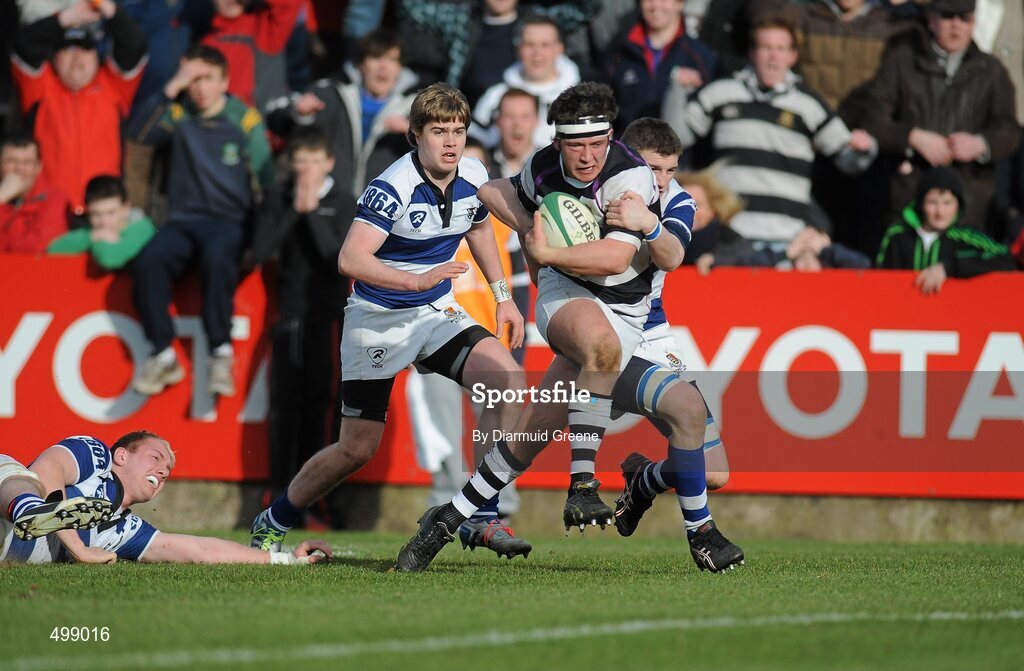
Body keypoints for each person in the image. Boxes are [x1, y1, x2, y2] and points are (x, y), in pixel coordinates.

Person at [397, 84, 742, 573]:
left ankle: (447, 518)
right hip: (571, 303)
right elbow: (493, 191)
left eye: (597, 144)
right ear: (558, 142)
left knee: (531, 442)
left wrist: (553, 250)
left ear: (613, 142)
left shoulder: (638, 183)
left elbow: (636, 256)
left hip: (633, 320)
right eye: (575, 145)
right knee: (607, 352)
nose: (587, 157)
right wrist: (535, 229)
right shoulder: (544, 165)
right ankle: (602, 492)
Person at [248, 83, 531, 560]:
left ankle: (480, 515)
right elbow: (350, 258)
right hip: (378, 319)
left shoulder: (475, 172)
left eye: (458, 131)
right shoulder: (392, 186)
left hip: (436, 313)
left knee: (506, 381)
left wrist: (504, 296)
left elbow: (481, 226)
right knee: (356, 449)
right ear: (415, 135)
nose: (451, 142)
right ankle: (274, 518)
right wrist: (415, 282)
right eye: (438, 131)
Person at [128, 45, 273, 398]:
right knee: (149, 260)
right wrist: (169, 86)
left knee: (217, 257)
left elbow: (265, 183)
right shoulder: (177, 114)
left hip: (228, 220)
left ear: (224, 81)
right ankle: (162, 353)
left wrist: (259, 243)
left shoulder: (245, 119)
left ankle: (219, 352)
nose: (200, 87)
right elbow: (139, 135)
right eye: (193, 79)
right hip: (181, 221)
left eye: (207, 78)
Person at [666, 15, 877, 249]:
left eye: (780, 49)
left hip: (788, 239)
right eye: (766, 47)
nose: (773, 56)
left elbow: (848, 160)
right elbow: (676, 139)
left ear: (792, 56)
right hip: (731, 236)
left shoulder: (809, 104)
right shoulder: (721, 92)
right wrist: (677, 90)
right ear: (752, 53)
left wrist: (864, 149)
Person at [0, 432, 331, 564]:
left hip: (5, 550)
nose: (162, 471)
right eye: (156, 458)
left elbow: (200, 550)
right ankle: (32, 511)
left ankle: (35, 514)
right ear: (122, 456)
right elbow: (48, 469)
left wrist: (287, 560)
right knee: (20, 479)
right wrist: (78, 548)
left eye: (167, 471)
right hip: (6, 502)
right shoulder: (95, 456)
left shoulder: (126, 530)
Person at [248, 127, 350, 511]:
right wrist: (295, 210)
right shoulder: (278, 198)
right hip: (289, 316)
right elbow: (258, 252)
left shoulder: (342, 202)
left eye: (314, 160)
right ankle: (276, 490)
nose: (307, 169)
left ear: (329, 163)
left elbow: (337, 260)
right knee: (283, 405)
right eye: (300, 161)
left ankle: (314, 497)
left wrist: (312, 215)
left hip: (327, 319)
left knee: (319, 405)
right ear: (291, 164)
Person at [861, 0, 1020, 234]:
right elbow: (873, 119)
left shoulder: (991, 71)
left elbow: (1009, 129)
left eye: (964, 19)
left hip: (970, 200)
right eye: (947, 17)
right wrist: (913, 138)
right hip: (910, 197)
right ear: (931, 20)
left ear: (973, 23)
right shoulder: (902, 61)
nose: (956, 26)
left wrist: (980, 144)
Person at [11, 0, 147, 217]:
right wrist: (66, 17)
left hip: (101, 212)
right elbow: (25, 44)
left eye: (85, 51)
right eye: (67, 51)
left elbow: (134, 44)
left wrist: (106, 8)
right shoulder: (40, 87)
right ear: (55, 59)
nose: (77, 59)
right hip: (50, 210)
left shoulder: (113, 86)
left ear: (96, 57)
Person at [265, 29, 418, 199]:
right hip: (329, 205)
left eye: (392, 60)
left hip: (386, 213)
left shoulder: (419, 108)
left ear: (400, 68)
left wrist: (415, 132)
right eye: (375, 58)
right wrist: (299, 113)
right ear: (361, 65)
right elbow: (274, 116)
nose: (384, 67)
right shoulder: (330, 94)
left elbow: (444, 154)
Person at [876, 166, 1015, 294]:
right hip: (903, 314)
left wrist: (949, 267)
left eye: (947, 203)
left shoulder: (966, 237)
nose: (940, 212)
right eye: (932, 202)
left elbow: (1006, 258)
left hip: (952, 315)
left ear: (958, 205)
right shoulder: (898, 235)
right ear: (920, 204)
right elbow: (879, 277)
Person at [605, 0, 718, 134]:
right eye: (649, 0)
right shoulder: (619, 54)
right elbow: (604, 112)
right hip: (627, 151)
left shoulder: (701, 58)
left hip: (680, 153)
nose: (656, 6)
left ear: (679, 4)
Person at [471, 15, 582, 149]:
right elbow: (473, 149)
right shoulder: (495, 96)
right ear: (519, 49)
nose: (537, 53)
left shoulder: (581, 99)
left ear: (559, 49)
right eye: (530, 45)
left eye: (545, 45)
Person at [200, 0, 303, 110]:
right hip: (216, 122)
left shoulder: (263, 26)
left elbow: (290, 4)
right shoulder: (204, 40)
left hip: (259, 122)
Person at [46, 175, 155, 270]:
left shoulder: (143, 230)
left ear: (126, 208)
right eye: (96, 214)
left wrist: (100, 239)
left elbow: (109, 259)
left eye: (111, 212)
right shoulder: (93, 232)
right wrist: (91, 237)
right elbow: (54, 249)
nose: (104, 222)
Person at [0, 133, 69, 254]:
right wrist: (1, 199)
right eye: (11, 161)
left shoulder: (55, 199)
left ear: (39, 167)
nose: (19, 169)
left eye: (27, 162)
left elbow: (40, 246)